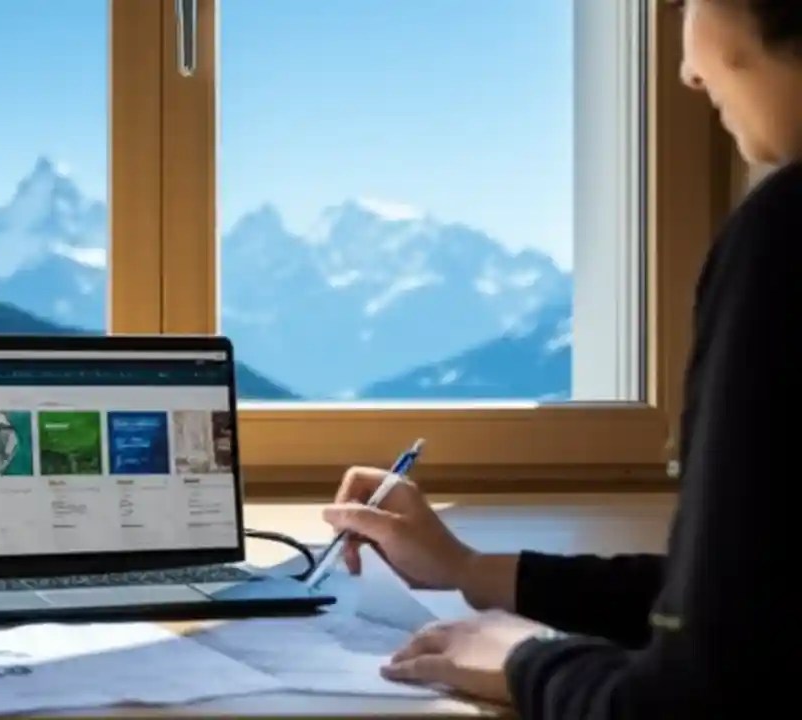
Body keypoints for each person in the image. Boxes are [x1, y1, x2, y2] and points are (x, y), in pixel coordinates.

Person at [321, 0, 800, 716]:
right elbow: (760, 600)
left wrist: (526, 661)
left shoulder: (786, 239)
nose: (686, 73)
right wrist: (468, 572)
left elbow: (694, 699)